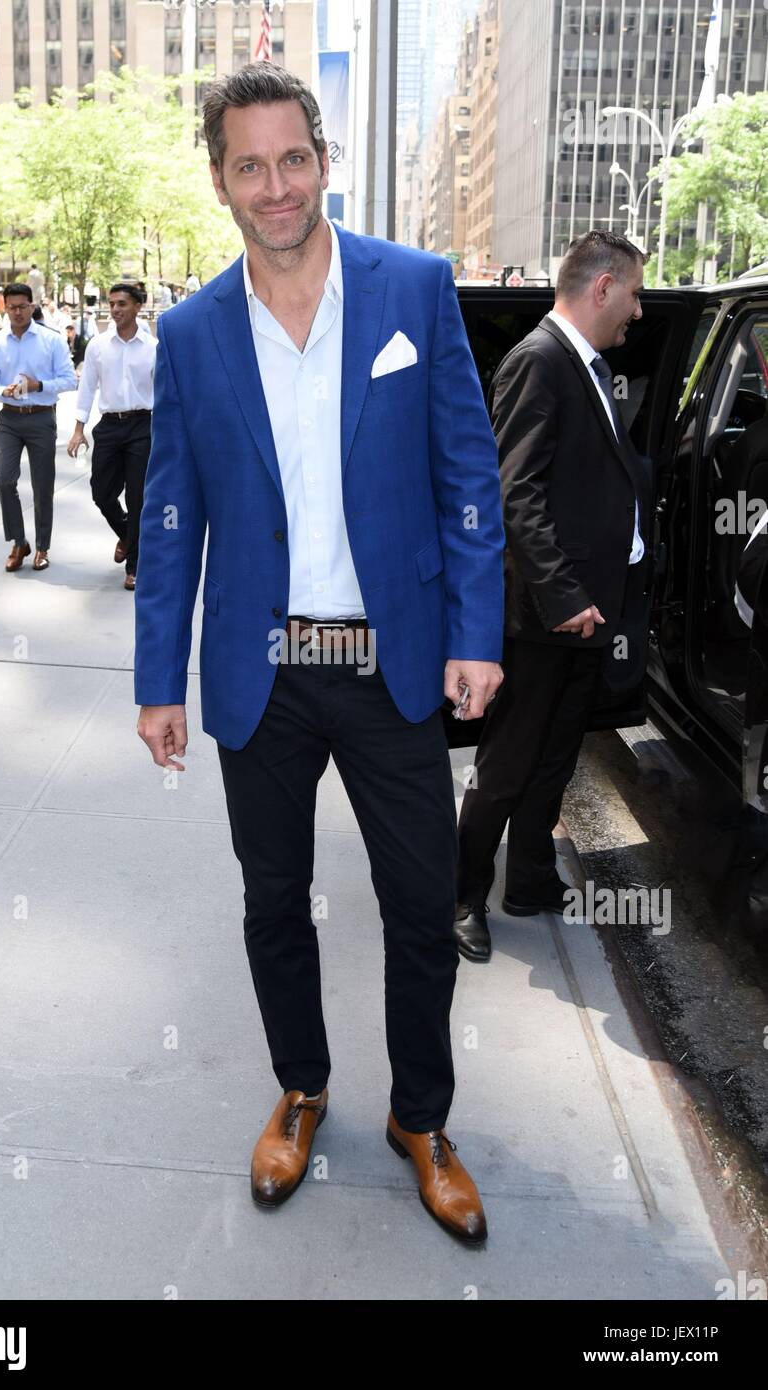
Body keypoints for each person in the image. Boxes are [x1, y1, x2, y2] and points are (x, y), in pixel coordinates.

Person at [135, 63, 505, 1243]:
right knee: (272, 902)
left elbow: (467, 475)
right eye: (248, 164)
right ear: (220, 181)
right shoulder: (191, 331)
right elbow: (172, 509)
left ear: (322, 160)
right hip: (264, 672)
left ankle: (420, 1117)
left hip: (390, 663)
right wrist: (158, 678)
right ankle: (300, 1090)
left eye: (292, 158)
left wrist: (478, 634)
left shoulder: (414, 288)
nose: (275, 184)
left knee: (416, 903)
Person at [453, 230, 651, 964]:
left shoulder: (585, 365)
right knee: (507, 762)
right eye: (633, 293)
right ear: (601, 287)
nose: (636, 310)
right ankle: (461, 894)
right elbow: (516, 493)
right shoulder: (538, 360)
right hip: (546, 613)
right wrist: (563, 593)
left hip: (587, 612)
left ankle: (529, 879)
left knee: (554, 759)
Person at [0, 282, 77, 573]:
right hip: (8, 418)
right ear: (4, 308)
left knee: (42, 486)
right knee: (3, 478)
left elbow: (70, 379)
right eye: (12, 307)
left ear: (32, 307)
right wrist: (2, 392)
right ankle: (19, 541)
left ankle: (42, 547)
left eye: (23, 306)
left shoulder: (51, 339)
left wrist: (39, 385)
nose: (18, 312)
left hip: (42, 417)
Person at [67, 282, 156, 592]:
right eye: (112, 304)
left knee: (137, 498)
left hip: (142, 426)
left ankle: (134, 565)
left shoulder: (153, 347)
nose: (115, 309)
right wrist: (79, 429)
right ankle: (128, 535)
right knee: (102, 493)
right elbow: (87, 386)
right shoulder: (98, 345)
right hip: (108, 426)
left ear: (138, 307)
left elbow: (165, 391)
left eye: (122, 304)